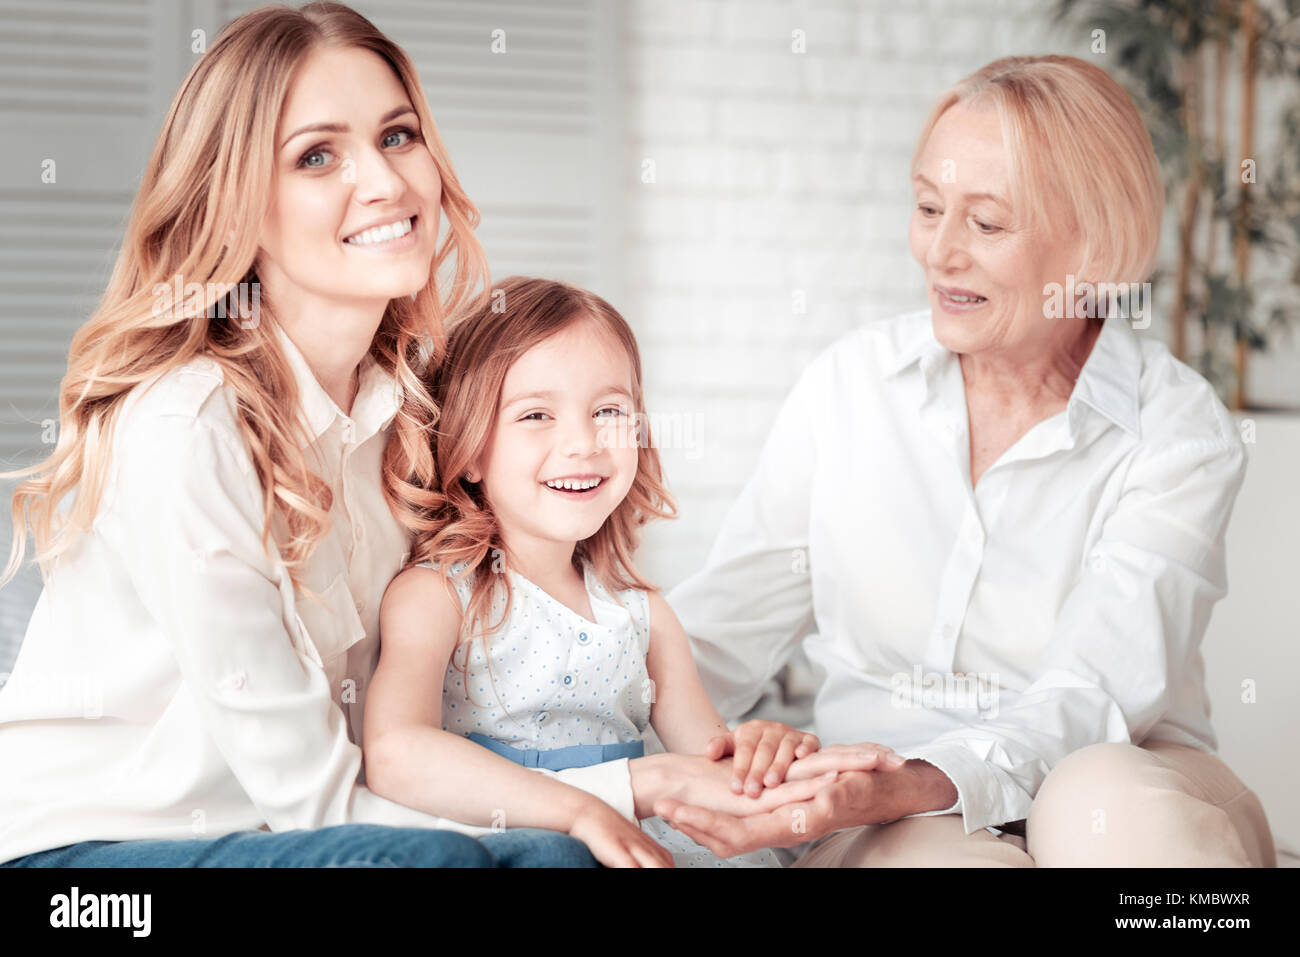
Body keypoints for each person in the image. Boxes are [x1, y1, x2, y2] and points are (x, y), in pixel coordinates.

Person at [0, 1, 597, 868]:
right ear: (237, 202)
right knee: (438, 865)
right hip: (84, 857)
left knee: (563, 858)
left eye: (398, 137)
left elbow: (425, 723)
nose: (387, 183)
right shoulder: (189, 425)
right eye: (317, 156)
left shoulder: (405, 414)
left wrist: (607, 804)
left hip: (290, 832)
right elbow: (311, 794)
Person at [652, 55, 1279, 868]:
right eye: (926, 207)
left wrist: (918, 777)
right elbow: (712, 639)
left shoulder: (1176, 426)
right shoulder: (851, 386)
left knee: (1099, 800)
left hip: (1131, 782)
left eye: (986, 224)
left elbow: (1092, 695)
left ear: (1089, 240)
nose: (940, 252)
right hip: (889, 812)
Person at [366, 276, 863, 868]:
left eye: (607, 410)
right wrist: (581, 809)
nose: (582, 442)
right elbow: (396, 752)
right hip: (518, 848)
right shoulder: (436, 596)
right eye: (536, 415)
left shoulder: (642, 614)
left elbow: (710, 768)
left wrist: (763, 752)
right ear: (470, 450)